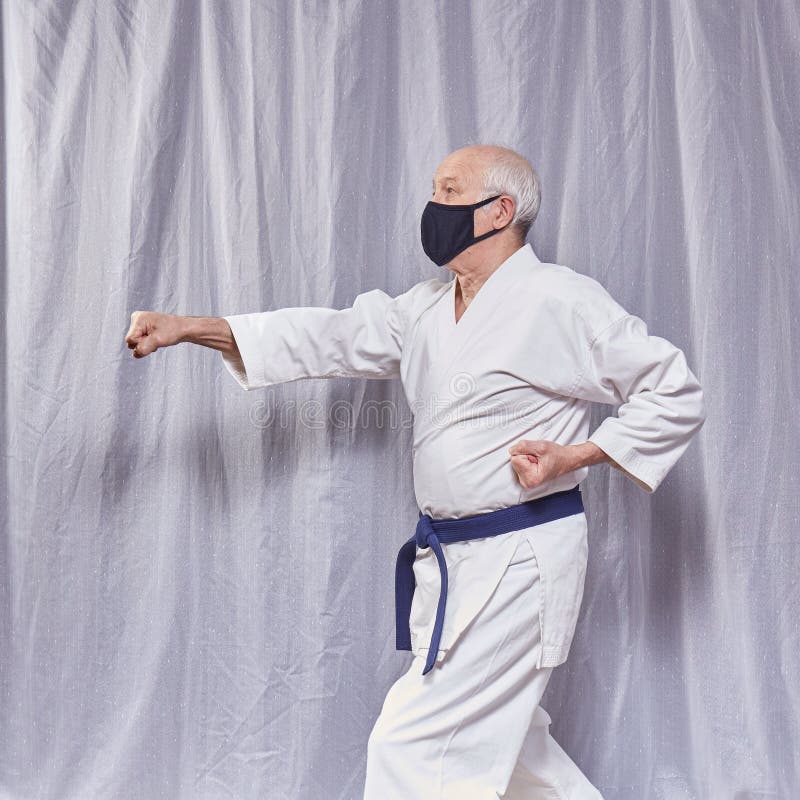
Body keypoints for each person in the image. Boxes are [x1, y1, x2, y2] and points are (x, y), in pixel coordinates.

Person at [125, 144, 706, 799]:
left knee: (413, 747)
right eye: (434, 190)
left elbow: (673, 389)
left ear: (501, 211)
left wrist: (579, 455)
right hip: (452, 565)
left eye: (450, 192)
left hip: (521, 558)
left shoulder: (560, 300)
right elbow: (330, 336)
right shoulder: (429, 306)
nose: (434, 207)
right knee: (513, 756)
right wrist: (188, 328)